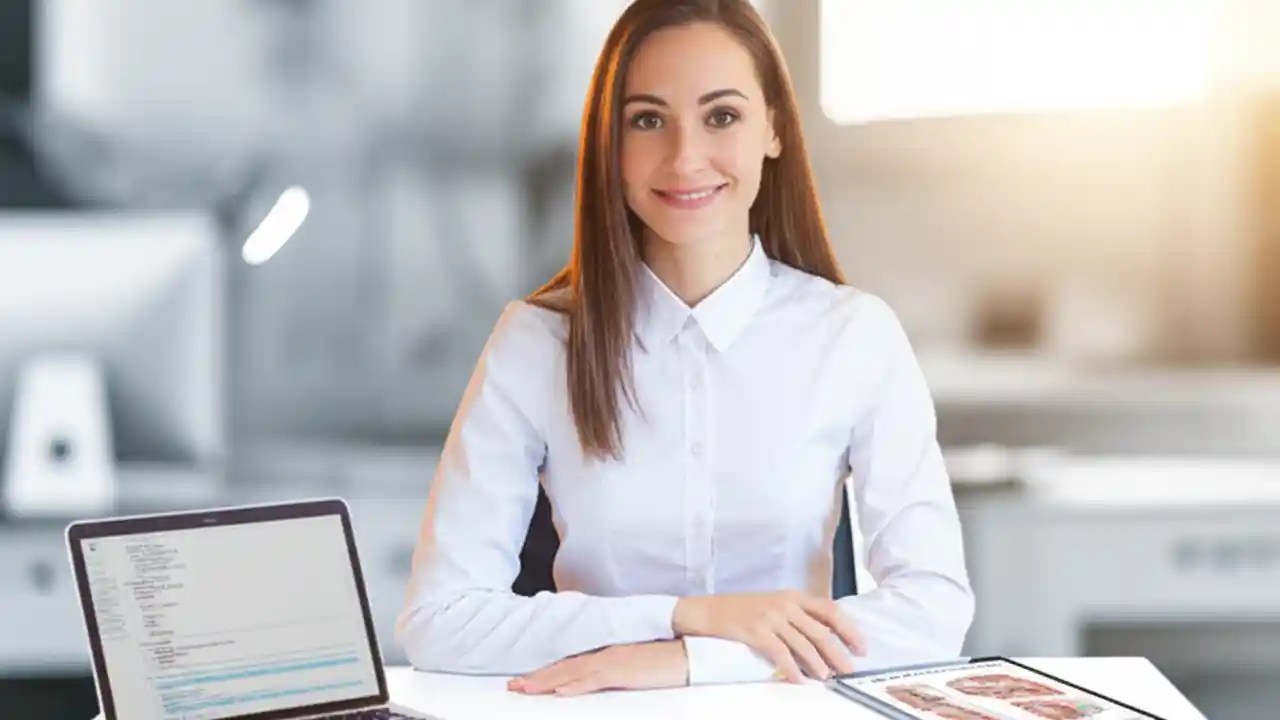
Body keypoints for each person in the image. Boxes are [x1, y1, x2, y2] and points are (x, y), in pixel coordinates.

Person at [396, 0, 973, 696]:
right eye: (647, 120)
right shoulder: (536, 343)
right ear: (612, 143)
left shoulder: (854, 335)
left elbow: (934, 614)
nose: (684, 157)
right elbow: (438, 622)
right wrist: (681, 616)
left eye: (721, 116)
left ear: (775, 129)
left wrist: (692, 658)